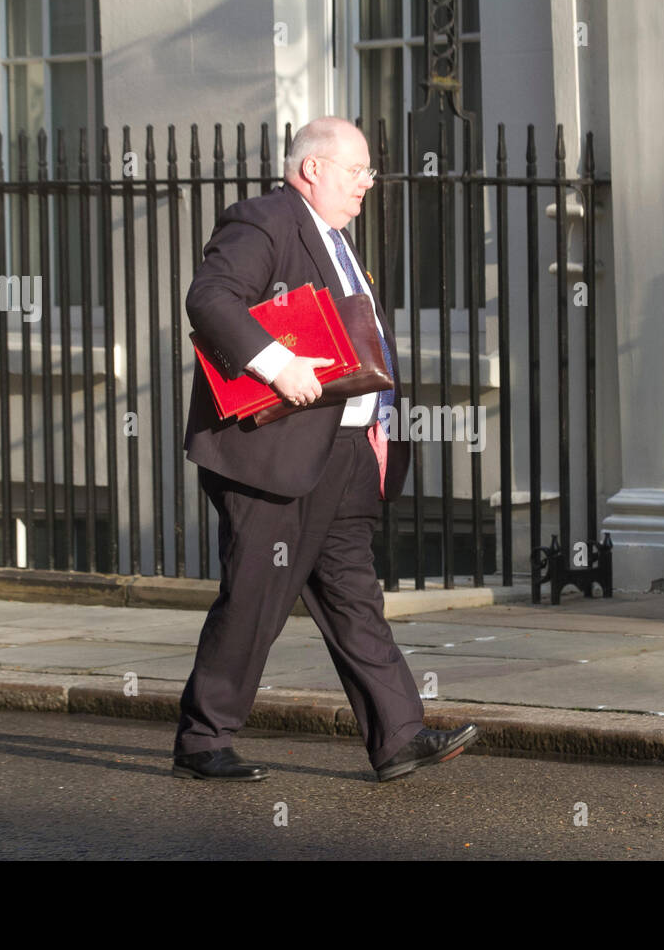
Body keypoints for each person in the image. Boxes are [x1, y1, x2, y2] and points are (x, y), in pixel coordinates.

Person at [172, 116, 479, 782]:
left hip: (343, 455)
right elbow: (211, 299)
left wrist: (379, 426)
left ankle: (398, 735)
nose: (368, 184)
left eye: (368, 172)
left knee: (351, 595)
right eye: (356, 170)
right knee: (256, 595)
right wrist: (275, 363)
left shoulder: (338, 242)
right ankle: (203, 738)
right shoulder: (264, 220)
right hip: (273, 454)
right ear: (311, 168)